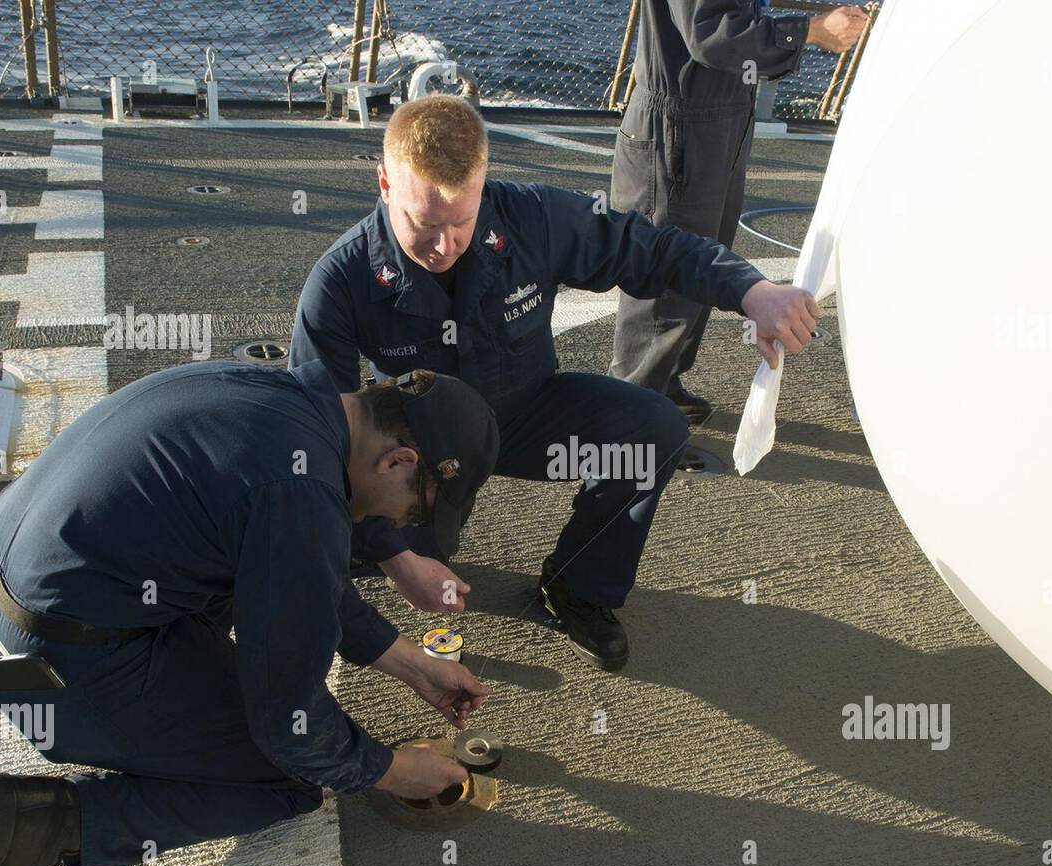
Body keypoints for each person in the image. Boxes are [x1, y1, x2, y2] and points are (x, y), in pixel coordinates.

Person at [0, 361, 498, 866]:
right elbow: (290, 722)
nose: (400, 524)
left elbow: (296, 566)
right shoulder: (301, 494)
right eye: (415, 512)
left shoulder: (288, 401)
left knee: (245, 586)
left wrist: (411, 663)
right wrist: (388, 768)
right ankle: (46, 822)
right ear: (400, 461)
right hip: (56, 665)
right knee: (299, 771)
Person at [289, 94, 819, 672]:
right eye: (425, 223)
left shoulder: (532, 218)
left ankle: (576, 586)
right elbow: (320, 435)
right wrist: (392, 555)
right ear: (385, 184)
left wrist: (752, 290)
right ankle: (395, 544)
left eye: (462, 222)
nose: (443, 246)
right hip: (421, 447)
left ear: (483, 185)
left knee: (653, 430)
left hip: (525, 412)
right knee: (375, 550)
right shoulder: (339, 281)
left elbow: (652, 249)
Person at [609, 0, 868, 459]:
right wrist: (807, 31)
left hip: (717, 119)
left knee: (702, 263)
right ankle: (633, 424)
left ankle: (662, 386)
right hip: (680, 126)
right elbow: (710, 33)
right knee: (667, 274)